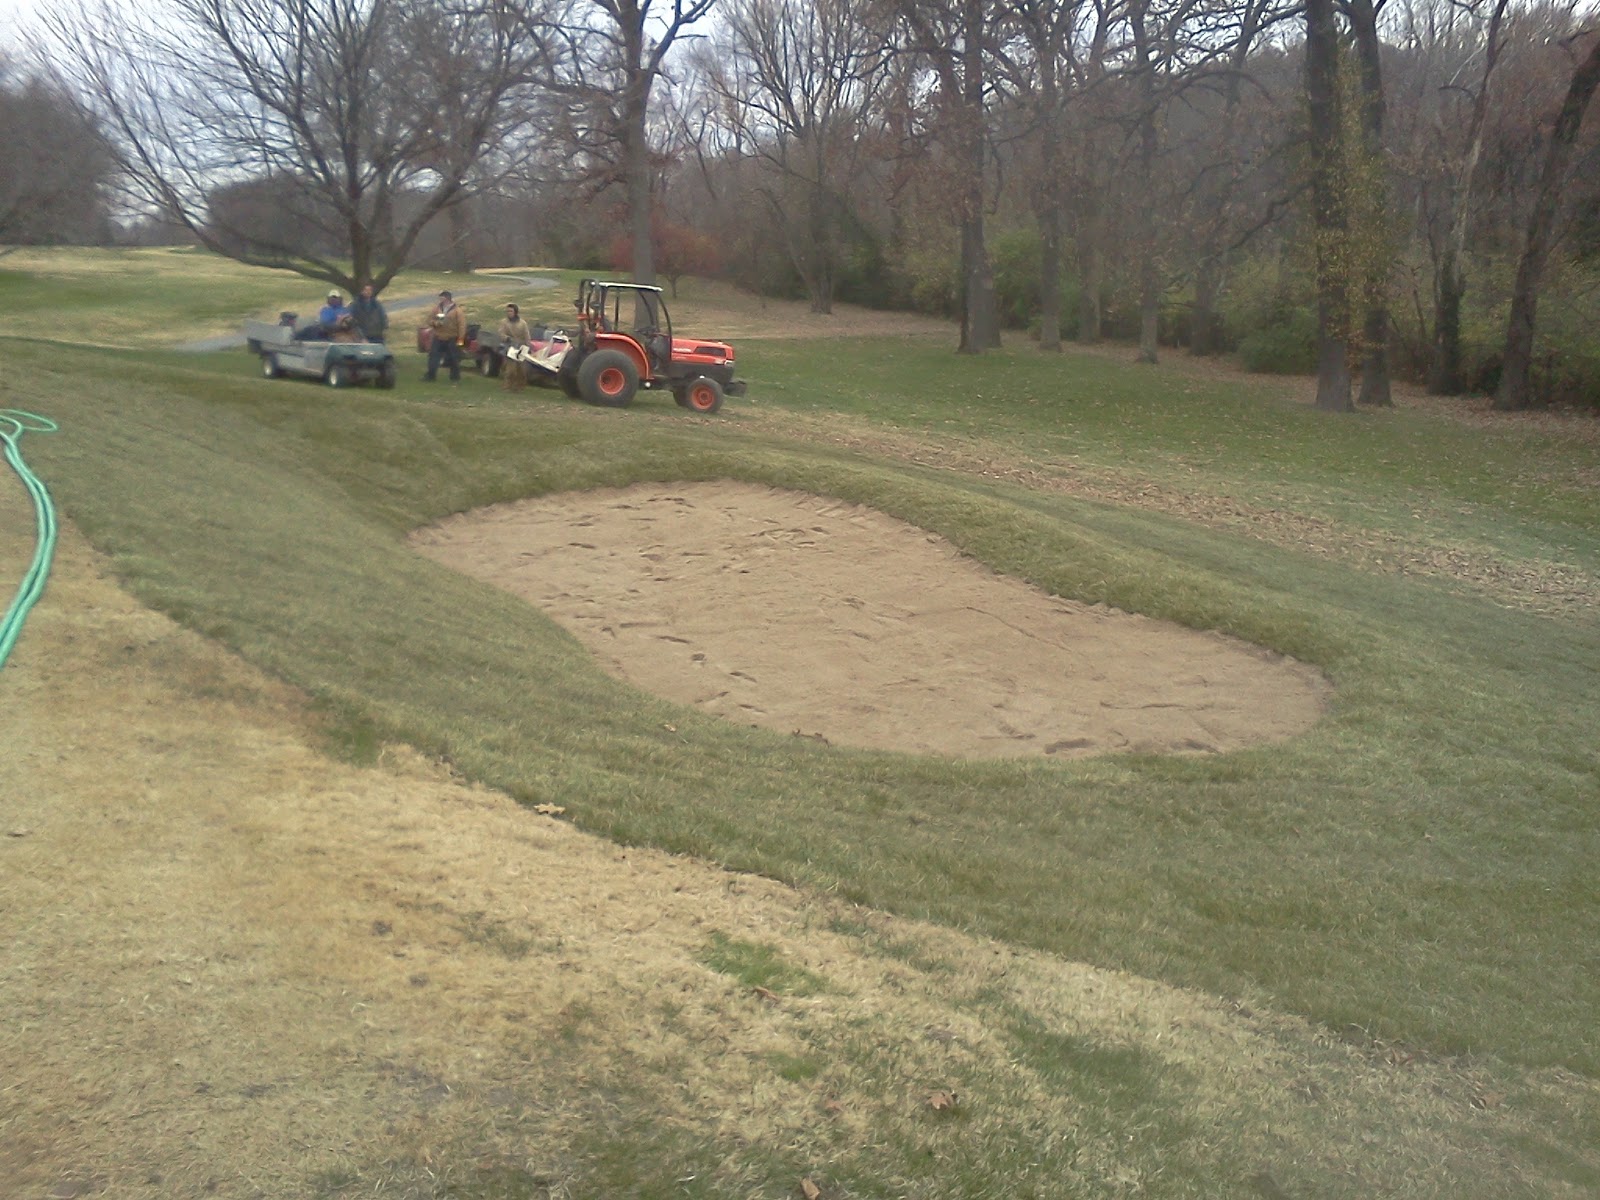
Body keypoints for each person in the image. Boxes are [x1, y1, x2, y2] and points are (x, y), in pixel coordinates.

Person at [424, 290, 467, 382]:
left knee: (454, 358)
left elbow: (462, 326)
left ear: (447, 299)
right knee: (433, 357)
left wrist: (460, 340)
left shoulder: (457, 311)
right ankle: (430, 376)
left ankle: (455, 378)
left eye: (442, 298)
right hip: (438, 337)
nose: (440, 300)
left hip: (452, 338)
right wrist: (435, 323)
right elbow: (429, 320)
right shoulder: (436, 309)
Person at [498, 302, 532, 390]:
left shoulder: (522, 323)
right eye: (507, 311)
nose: (508, 313)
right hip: (511, 347)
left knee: (522, 370)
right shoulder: (504, 322)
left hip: (521, 347)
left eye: (511, 311)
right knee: (510, 370)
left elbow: (527, 335)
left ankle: (520, 386)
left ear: (515, 312)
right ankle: (507, 386)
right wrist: (507, 338)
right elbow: (501, 333)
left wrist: (528, 347)